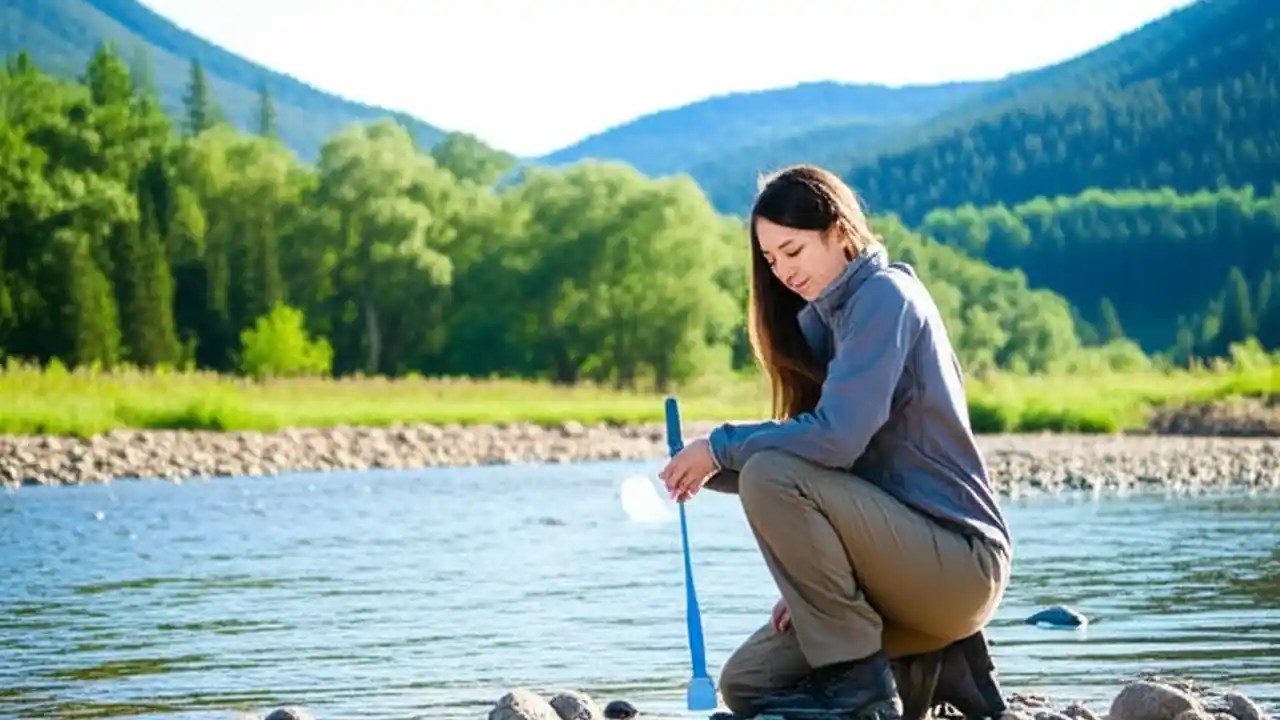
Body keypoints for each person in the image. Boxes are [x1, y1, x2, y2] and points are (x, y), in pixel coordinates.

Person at [659, 164, 1013, 720]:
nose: (782, 272)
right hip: (898, 577)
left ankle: (866, 693)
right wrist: (812, 589)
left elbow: (836, 439)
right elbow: (818, 465)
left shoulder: (885, 297)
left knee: (768, 474)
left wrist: (720, 447)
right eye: (771, 260)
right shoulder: (824, 322)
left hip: (959, 566)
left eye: (793, 251)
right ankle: (939, 666)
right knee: (746, 683)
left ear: (839, 231)